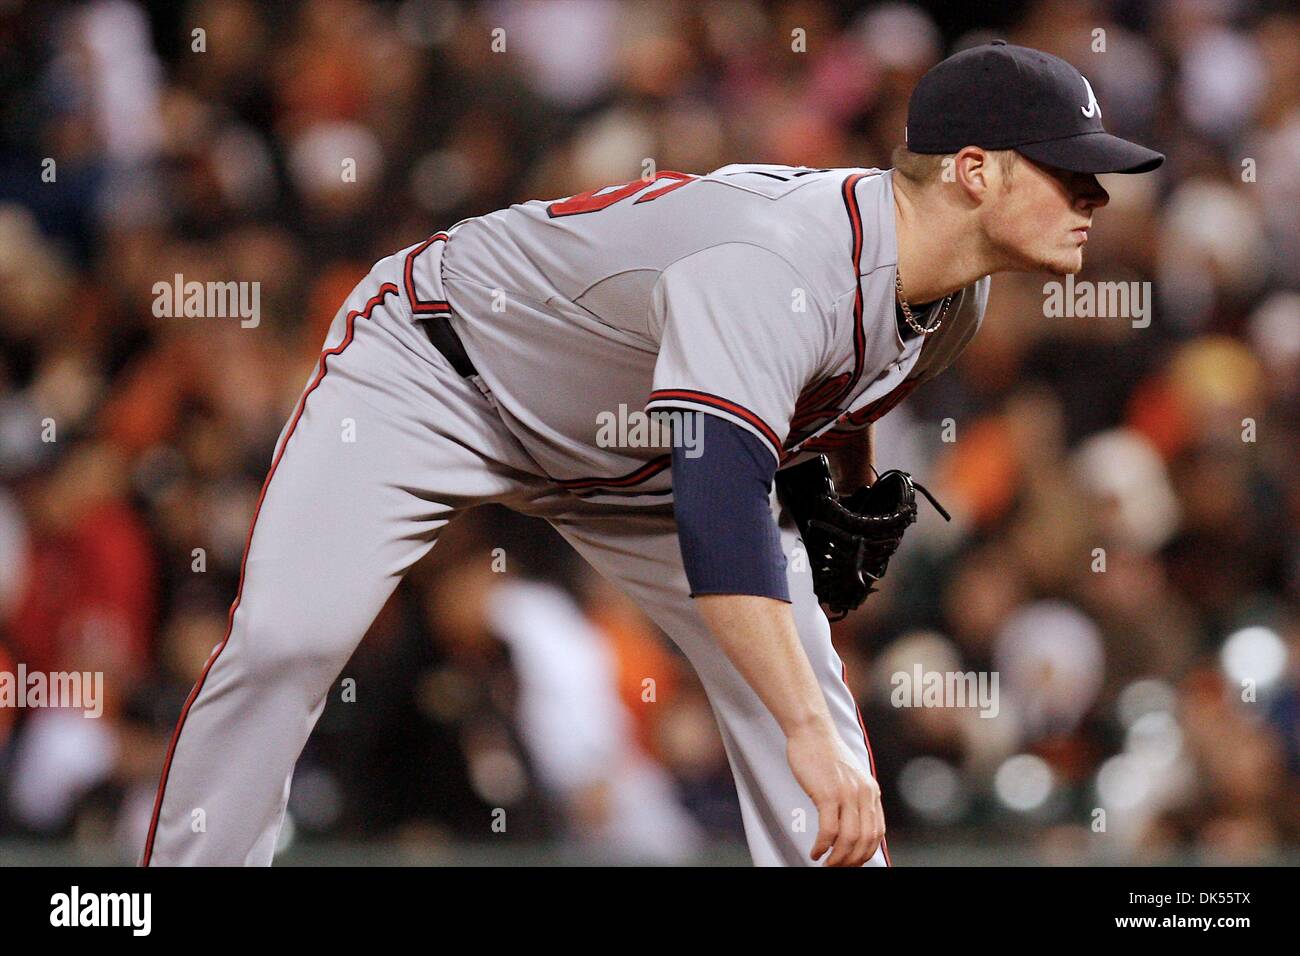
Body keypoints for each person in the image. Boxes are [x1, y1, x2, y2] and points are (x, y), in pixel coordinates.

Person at [142, 42, 1162, 867]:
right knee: (289, 639)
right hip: (438, 368)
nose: (1095, 196)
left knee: (795, 671)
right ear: (975, 172)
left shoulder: (952, 300)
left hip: (631, 442)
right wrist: (803, 727)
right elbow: (719, 521)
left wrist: (845, 488)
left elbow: (841, 380)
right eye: (1070, 170)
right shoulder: (773, 262)